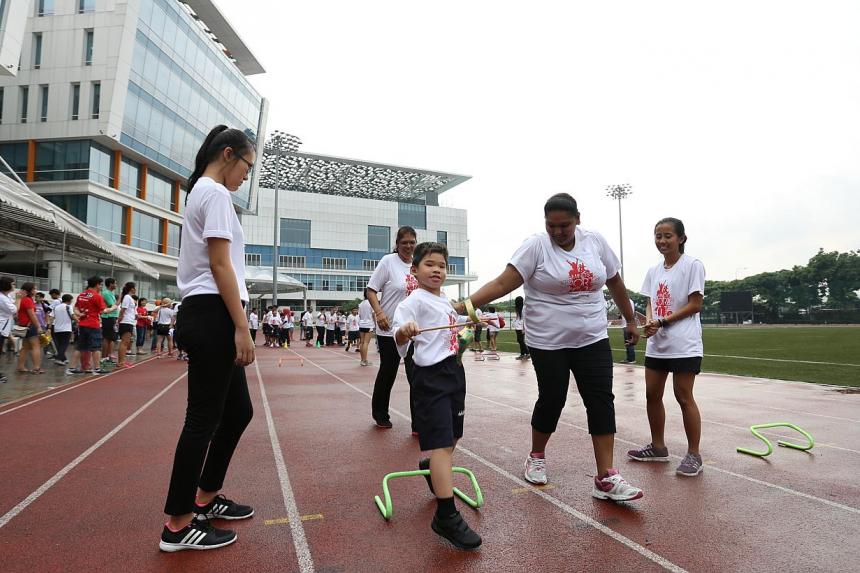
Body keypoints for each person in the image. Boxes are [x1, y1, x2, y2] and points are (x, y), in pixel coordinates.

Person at [457, 193, 644, 501]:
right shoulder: (536, 246)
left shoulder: (594, 241)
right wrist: (467, 304)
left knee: (600, 401)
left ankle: (606, 477)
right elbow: (505, 282)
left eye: (565, 226)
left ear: (578, 219)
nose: (558, 232)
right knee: (552, 398)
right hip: (548, 340)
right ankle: (537, 455)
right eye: (551, 226)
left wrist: (630, 321)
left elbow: (614, 281)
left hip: (592, 337)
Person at [160, 125, 256, 552]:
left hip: (210, 312)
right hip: (214, 313)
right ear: (229, 154)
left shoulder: (202, 190)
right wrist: (241, 326)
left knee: (237, 412)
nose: (246, 178)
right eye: (247, 167)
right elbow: (220, 265)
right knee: (202, 421)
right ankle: (177, 526)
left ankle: (204, 498)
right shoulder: (214, 193)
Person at [393, 242, 482, 550]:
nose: (437, 270)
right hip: (430, 378)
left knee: (454, 437)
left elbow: (455, 339)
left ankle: (431, 467)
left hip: (454, 372)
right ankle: (446, 515)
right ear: (414, 270)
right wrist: (406, 329)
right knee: (443, 444)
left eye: (442, 266)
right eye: (429, 264)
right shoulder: (413, 301)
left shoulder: (446, 302)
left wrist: (471, 329)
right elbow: (398, 333)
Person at [627, 217, 705, 477]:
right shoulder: (654, 271)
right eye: (658, 236)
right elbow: (650, 302)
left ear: (681, 238)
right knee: (652, 395)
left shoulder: (692, 265)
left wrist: (662, 321)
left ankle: (694, 454)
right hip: (658, 344)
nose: (662, 241)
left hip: (684, 344)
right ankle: (658, 447)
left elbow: (695, 304)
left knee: (683, 396)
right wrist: (650, 322)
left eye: (668, 235)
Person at [367, 225, 419, 430]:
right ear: (397, 244)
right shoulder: (388, 262)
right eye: (404, 242)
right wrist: (379, 314)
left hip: (413, 329)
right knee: (388, 371)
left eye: (412, 242)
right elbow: (370, 290)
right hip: (388, 328)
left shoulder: (418, 264)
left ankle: (419, 422)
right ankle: (380, 413)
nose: (408, 246)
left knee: (416, 374)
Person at [66, 276, 106, 375]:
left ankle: (72, 368)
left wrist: (79, 314)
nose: (101, 287)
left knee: (80, 347)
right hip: (93, 324)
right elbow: (103, 310)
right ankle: (96, 368)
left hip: (82, 324)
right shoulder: (97, 296)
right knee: (96, 347)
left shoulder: (81, 295)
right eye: (101, 285)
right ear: (97, 284)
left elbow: (75, 308)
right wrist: (113, 308)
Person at [15, 282, 45, 374]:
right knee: (36, 346)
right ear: (30, 290)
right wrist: (38, 326)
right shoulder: (28, 300)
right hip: (30, 325)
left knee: (25, 347)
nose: (36, 290)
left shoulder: (21, 300)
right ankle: (36, 367)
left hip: (23, 325)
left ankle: (20, 366)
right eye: (34, 289)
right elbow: (32, 315)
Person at [0, 276, 18, 382]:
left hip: (4, 328)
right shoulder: (2, 298)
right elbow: (14, 309)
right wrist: (19, 299)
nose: (14, 286)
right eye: (13, 284)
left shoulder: (6, 296)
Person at [116, 282, 137, 369]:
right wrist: (119, 319)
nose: (135, 290)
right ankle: (120, 362)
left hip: (129, 321)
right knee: (124, 342)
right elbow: (123, 309)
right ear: (131, 289)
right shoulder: (127, 297)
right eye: (134, 288)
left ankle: (122, 361)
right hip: (126, 321)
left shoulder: (129, 297)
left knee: (125, 342)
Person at [50, 294, 75, 365]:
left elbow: (51, 317)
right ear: (69, 300)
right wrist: (78, 320)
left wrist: (49, 327)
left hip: (57, 328)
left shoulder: (56, 307)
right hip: (66, 329)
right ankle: (58, 359)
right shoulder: (69, 306)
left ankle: (64, 358)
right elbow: (72, 316)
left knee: (60, 344)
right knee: (64, 344)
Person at [100, 278, 119, 365]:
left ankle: (108, 356)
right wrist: (121, 297)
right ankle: (104, 357)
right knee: (107, 338)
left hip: (112, 317)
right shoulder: (106, 293)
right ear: (110, 284)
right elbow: (113, 306)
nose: (116, 285)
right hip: (108, 317)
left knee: (112, 338)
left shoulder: (111, 293)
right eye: (115, 283)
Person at [358, 290, 375, 366]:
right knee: (366, 343)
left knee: (362, 342)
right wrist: (375, 324)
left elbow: (360, 315)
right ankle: (364, 360)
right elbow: (373, 315)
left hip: (362, 324)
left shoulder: (361, 304)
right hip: (368, 324)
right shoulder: (371, 303)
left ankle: (362, 360)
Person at [620, 299, 637, 363]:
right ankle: (629, 358)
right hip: (627, 324)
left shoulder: (626, 301)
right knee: (628, 342)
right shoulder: (630, 301)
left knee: (629, 342)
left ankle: (631, 359)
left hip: (627, 325)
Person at [513, 296, 529, 360]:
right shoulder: (517, 308)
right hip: (518, 327)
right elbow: (517, 318)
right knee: (520, 341)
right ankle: (522, 354)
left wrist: (523, 329)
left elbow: (524, 319)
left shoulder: (523, 309)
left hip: (521, 327)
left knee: (521, 341)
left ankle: (527, 353)